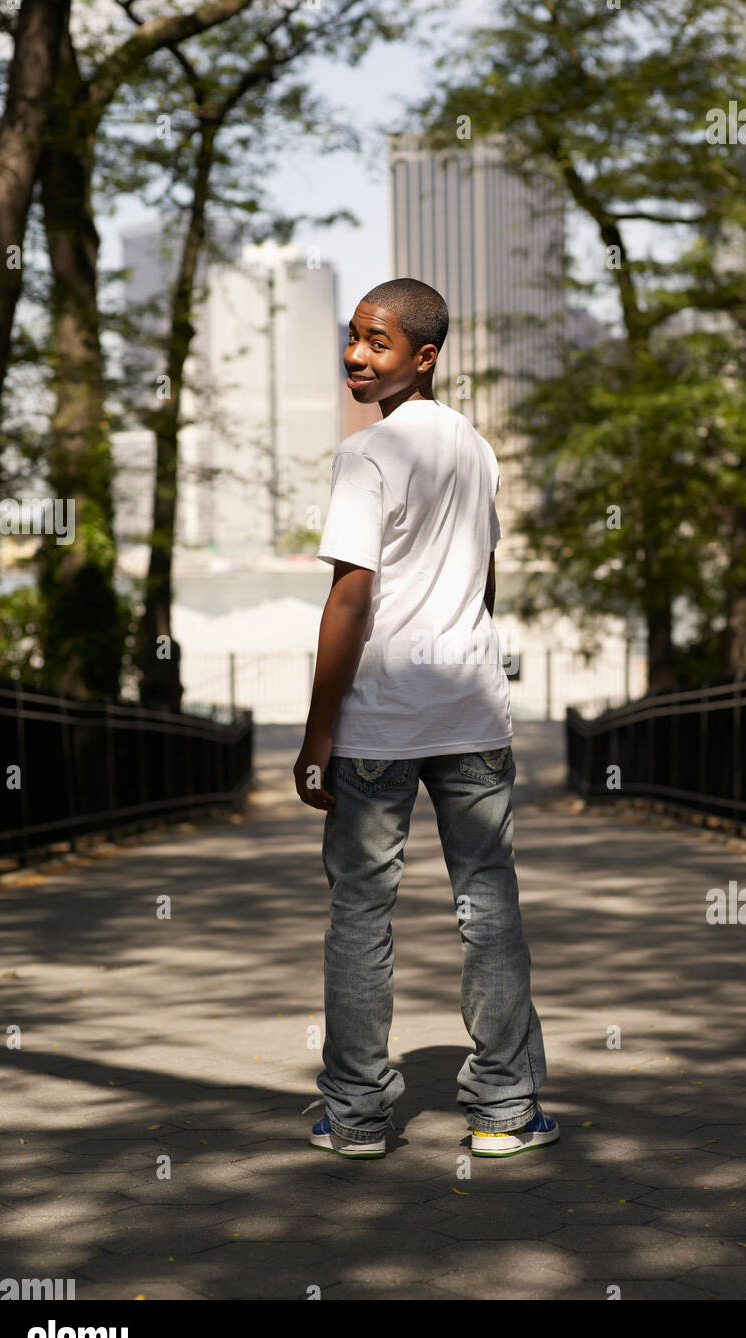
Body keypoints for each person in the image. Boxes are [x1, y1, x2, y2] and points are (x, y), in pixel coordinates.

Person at [293, 277, 558, 1160]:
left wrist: (316, 733)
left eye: (376, 342)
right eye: (354, 339)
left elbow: (350, 601)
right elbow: (483, 582)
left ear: (424, 356)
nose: (355, 356)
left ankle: (359, 1114)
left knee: (362, 912)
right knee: (489, 906)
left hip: (379, 722)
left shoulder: (366, 455)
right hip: (473, 714)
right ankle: (505, 1110)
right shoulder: (476, 450)